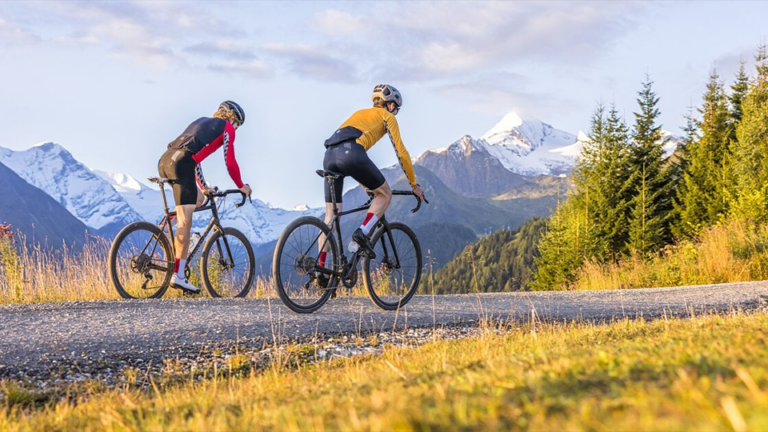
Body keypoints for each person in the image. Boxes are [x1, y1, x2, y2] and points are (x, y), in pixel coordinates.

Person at [318, 84, 424, 278]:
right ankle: (362, 232)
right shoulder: (387, 117)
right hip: (352, 153)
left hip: (329, 156)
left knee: (331, 217)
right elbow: (401, 152)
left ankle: (321, 269)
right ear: (389, 105)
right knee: (385, 194)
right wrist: (413, 184)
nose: (396, 112)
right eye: (396, 107)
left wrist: (365, 184)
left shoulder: (360, 113)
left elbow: (347, 150)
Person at [157, 101, 252, 293]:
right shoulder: (226, 128)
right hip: (182, 163)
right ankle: (179, 275)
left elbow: (195, 158)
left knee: (198, 199)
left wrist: (204, 186)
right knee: (186, 221)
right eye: (237, 125)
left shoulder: (202, 122)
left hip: (166, 160)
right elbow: (230, 160)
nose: (236, 129)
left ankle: (163, 229)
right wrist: (242, 186)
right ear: (232, 117)